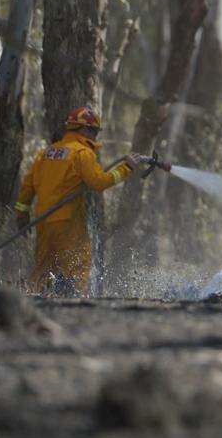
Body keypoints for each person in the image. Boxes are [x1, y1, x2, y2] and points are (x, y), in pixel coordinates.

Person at [14, 107, 140, 296]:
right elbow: (98, 183)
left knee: (42, 270)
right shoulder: (82, 153)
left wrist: (22, 214)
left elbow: (27, 187)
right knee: (77, 265)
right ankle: (76, 301)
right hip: (68, 222)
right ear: (85, 129)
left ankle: (31, 302)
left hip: (43, 221)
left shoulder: (47, 153)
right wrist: (126, 169)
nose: (95, 137)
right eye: (95, 132)